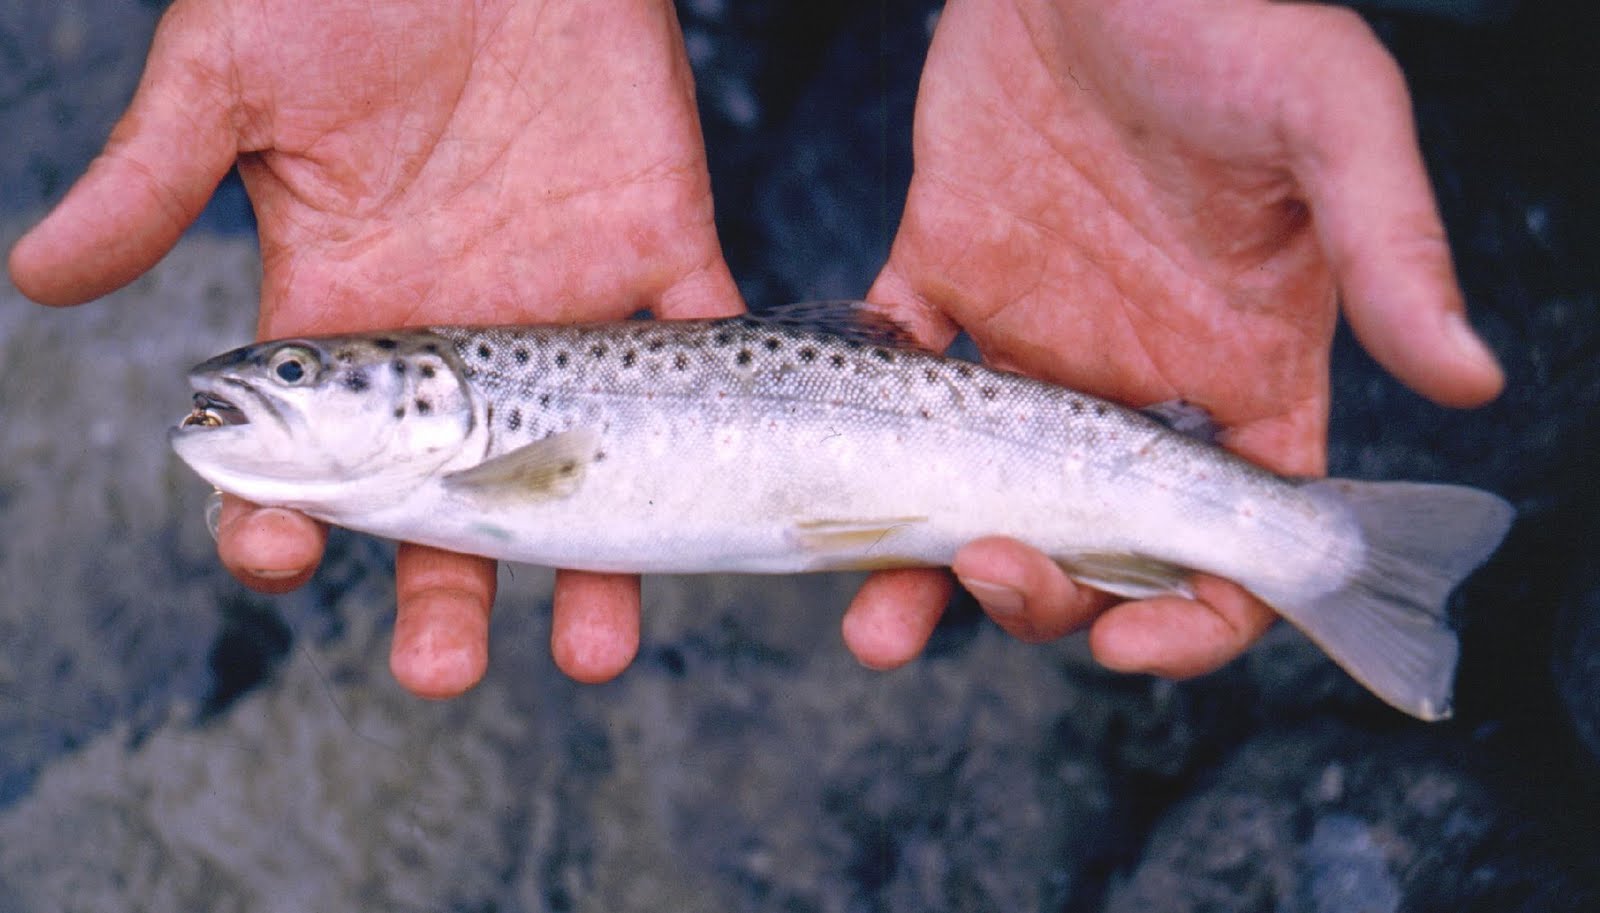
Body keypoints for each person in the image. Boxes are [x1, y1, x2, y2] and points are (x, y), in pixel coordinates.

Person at [9, 0, 1502, 700]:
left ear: (424, 398)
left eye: (293, 375)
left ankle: (1319, 547)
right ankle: (1297, 541)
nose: (257, 390)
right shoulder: (434, 471)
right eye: (282, 379)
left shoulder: (458, 466)